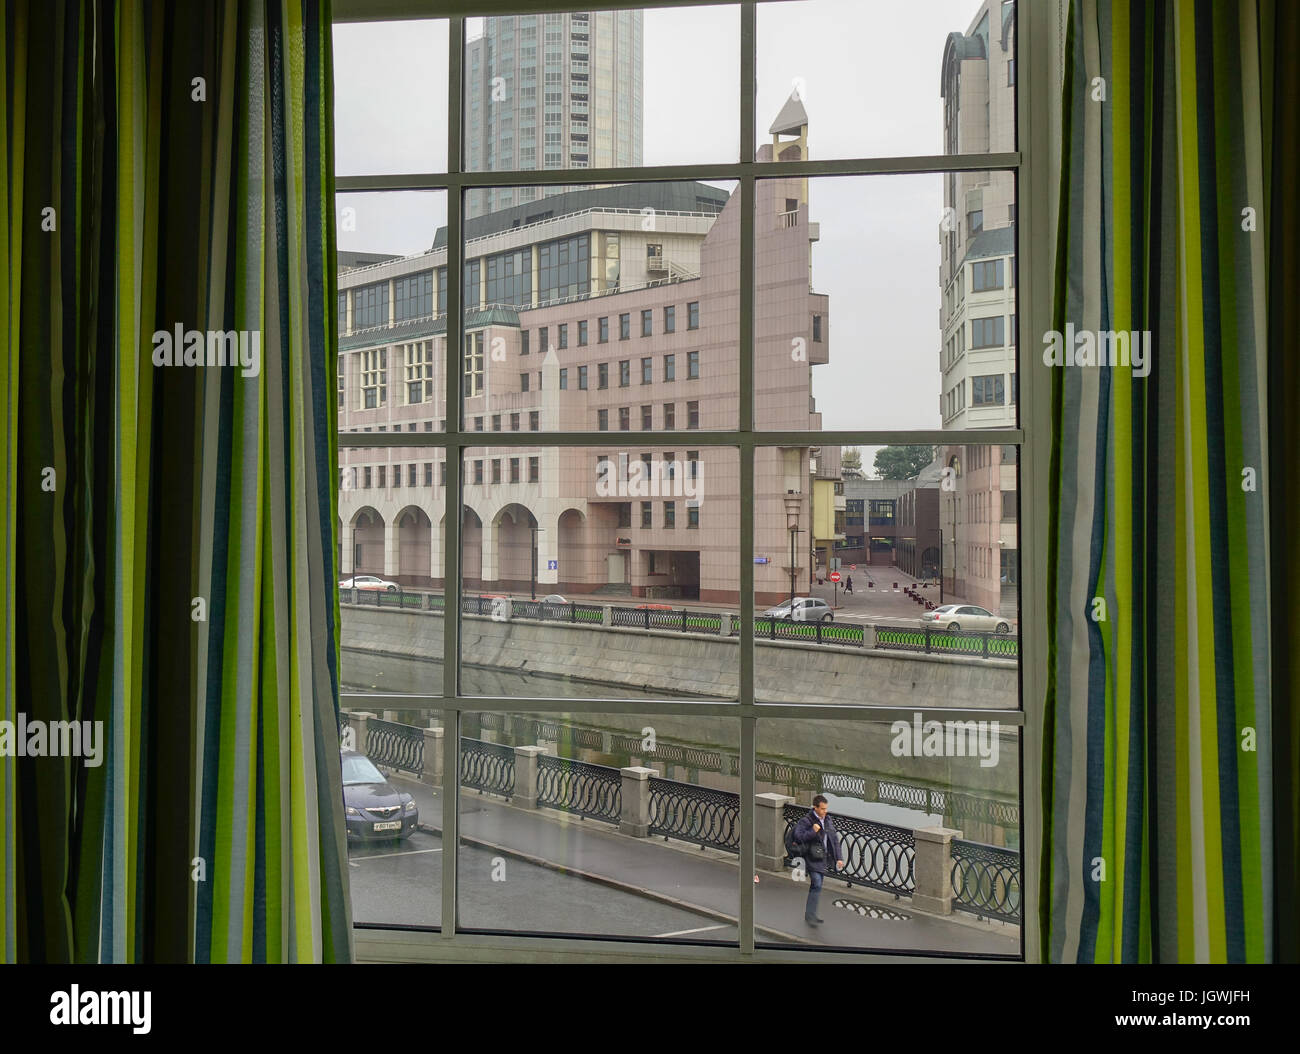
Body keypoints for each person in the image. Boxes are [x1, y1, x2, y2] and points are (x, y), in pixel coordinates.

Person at [791, 794, 844, 925]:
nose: (825, 812)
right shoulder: (807, 821)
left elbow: (834, 840)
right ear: (815, 808)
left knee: (816, 886)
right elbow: (798, 837)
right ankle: (810, 916)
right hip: (811, 857)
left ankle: (810, 914)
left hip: (823, 858)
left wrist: (839, 858)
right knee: (817, 884)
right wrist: (812, 832)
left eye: (826, 809)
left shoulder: (828, 820)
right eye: (822, 809)